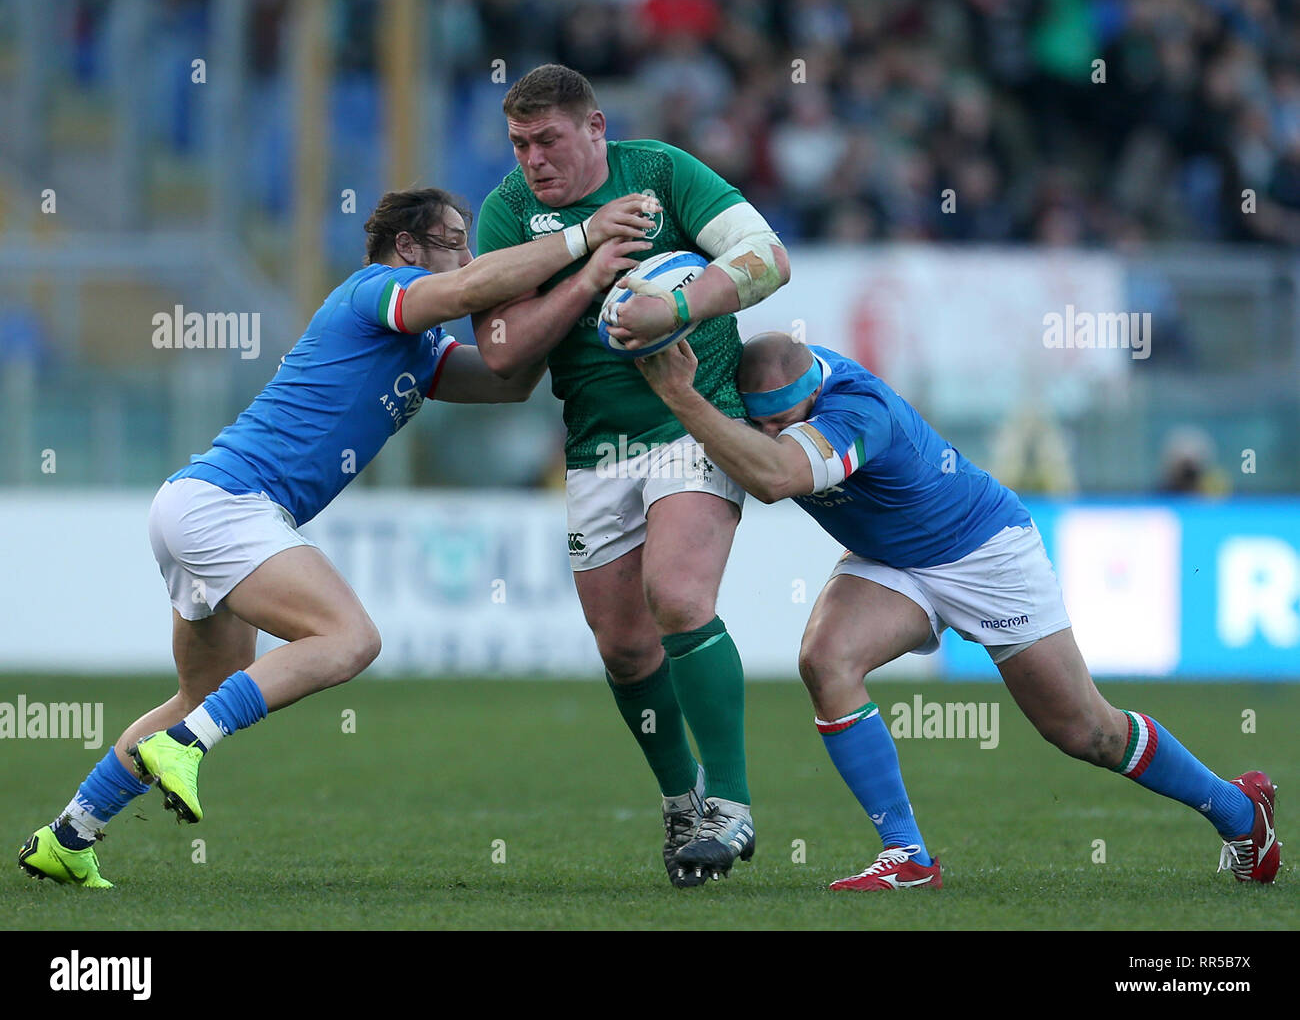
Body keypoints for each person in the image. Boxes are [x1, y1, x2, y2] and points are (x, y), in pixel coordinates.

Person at [18, 187, 655, 888]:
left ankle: (69, 833)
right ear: (409, 248)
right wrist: (584, 239)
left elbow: (508, 378)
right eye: (453, 239)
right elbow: (475, 286)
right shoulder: (376, 289)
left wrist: (581, 292)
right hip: (228, 505)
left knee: (205, 691)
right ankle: (189, 747)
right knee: (350, 639)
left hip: (195, 503)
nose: (467, 255)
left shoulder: (423, 346)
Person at [635, 332, 1280, 890]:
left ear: (813, 392)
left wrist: (684, 398)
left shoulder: (858, 411)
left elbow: (776, 478)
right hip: (893, 559)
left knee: (1087, 732)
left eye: (785, 423)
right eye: (762, 423)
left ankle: (1238, 810)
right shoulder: (781, 391)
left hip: (984, 552)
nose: (772, 434)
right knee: (826, 659)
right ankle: (906, 855)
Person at [472, 64, 791, 886]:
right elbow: (503, 353)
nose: (533, 158)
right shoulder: (509, 212)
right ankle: (681, 798)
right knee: (622, 647)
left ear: (595, 127)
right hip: (595, 446)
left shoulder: (662, 172)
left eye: (547, 140)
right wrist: (586, 271)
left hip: (692, 415)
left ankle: (732, 803)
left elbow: (768, 256)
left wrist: (676, 309)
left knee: (680, 596)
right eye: (519, 142)